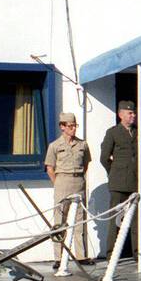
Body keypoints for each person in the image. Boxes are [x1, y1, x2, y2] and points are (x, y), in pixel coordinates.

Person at [45, 112, 92, 266]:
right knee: (60, 221)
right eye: (70, 126)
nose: (73, 129)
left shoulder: (82, 144)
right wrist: (58, 183)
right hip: (62, 181)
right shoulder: (54, 146)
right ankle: (58, 258)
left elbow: (85, 165)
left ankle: (81, 256)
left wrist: (77, 178)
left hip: (78, 181)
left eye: (75, 126)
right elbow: (50, 168)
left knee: (80, 220)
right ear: (62, 127)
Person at [100, 100, 141, 259]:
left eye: (134, 113)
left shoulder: (139, 132)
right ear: (120, 114)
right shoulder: (113, 132)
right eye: (130, 113)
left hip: (135, 181)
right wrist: (114, 172)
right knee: (115, 219)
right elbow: (104, 157)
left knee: (136, 219)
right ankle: (112, 253)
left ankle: (138, 252)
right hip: (118, 182)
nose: (133, 115)